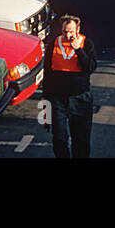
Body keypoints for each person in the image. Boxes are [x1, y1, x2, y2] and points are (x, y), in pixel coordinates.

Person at [42, 15, 97, 158]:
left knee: (81, 140)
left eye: (71, 32)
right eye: (65, 31)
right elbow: (47, 76)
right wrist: (45, 110)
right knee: (59, 139)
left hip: (80, 99)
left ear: (77, 30)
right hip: (57, 99)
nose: (68, 35)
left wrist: (78, 50)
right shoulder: (53, 44)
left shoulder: (86, 44)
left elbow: (90, 67)